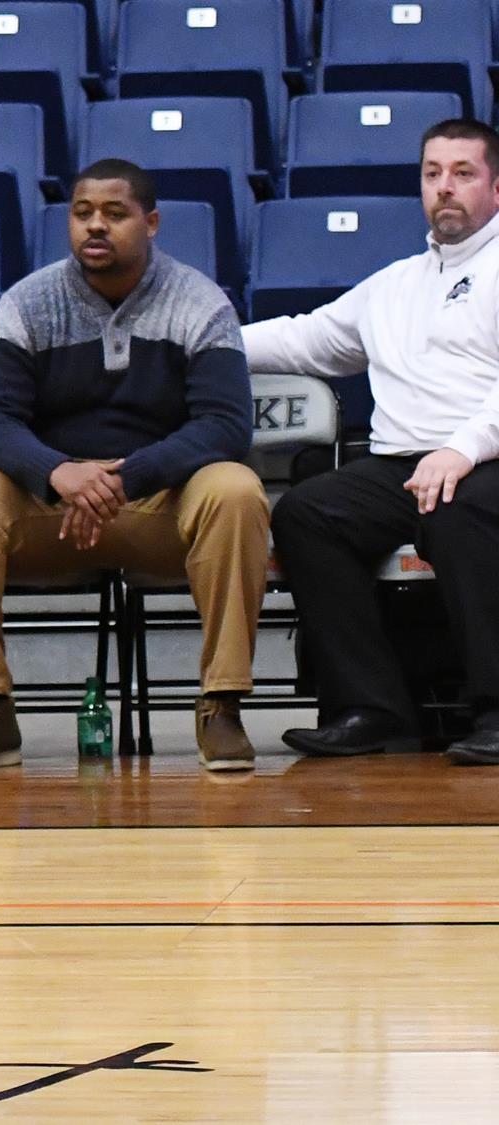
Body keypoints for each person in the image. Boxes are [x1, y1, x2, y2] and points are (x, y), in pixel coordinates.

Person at [0, 159, 266, 772]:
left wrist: (119, 478)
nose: (95, 227)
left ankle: (222, 703)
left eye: (114, 213)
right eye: (83, 214)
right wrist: (59, 474)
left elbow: (225, 426)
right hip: (49, 509)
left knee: (236, 490)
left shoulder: (198, 301)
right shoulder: (29, 303)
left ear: (151, 222)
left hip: (161, 504)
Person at [244, 118, 499, 766]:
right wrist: (203, 336)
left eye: (463, 173)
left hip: (485, 457)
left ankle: (494, 711)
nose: (445, 188)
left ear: (494, 185)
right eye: (433, 173)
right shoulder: (395, 284)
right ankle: (369, 707)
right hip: (399, 464)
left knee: (455, 508)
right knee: (306, 512)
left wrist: (464, 446)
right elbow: (305, 338)